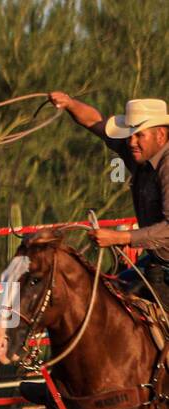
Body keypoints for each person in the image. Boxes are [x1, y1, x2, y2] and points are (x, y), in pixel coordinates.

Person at [50, 94, 169, 308]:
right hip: (156, 265)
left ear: (160, 135)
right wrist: (69, 103)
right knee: (105, 301)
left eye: (138, 135)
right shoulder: (140, 152)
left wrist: (119, 237)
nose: (131, 142)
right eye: (130, 135)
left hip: (162, 267)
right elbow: (94, 121)